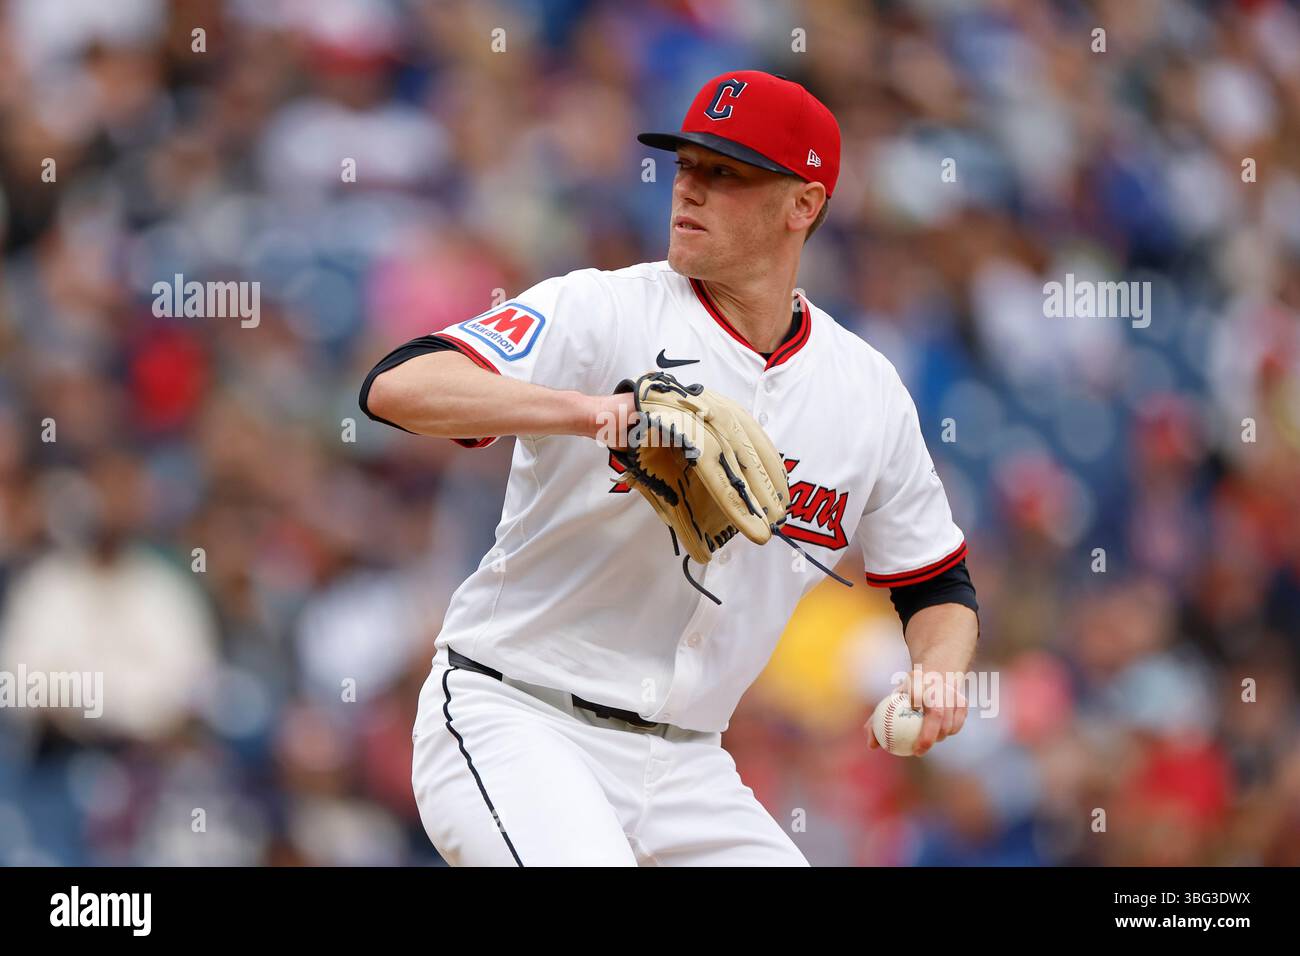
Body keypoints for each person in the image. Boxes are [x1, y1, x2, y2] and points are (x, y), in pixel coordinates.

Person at [359, 71, 978, 866]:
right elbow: (397, 384)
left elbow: (936, 583)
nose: (689, 189)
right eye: (686, 165)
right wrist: (583, 412)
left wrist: (937, 672)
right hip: (516, 713)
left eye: (727, 173)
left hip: (687, 763)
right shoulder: (606, 309)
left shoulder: (865, 392)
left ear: (804, 205)